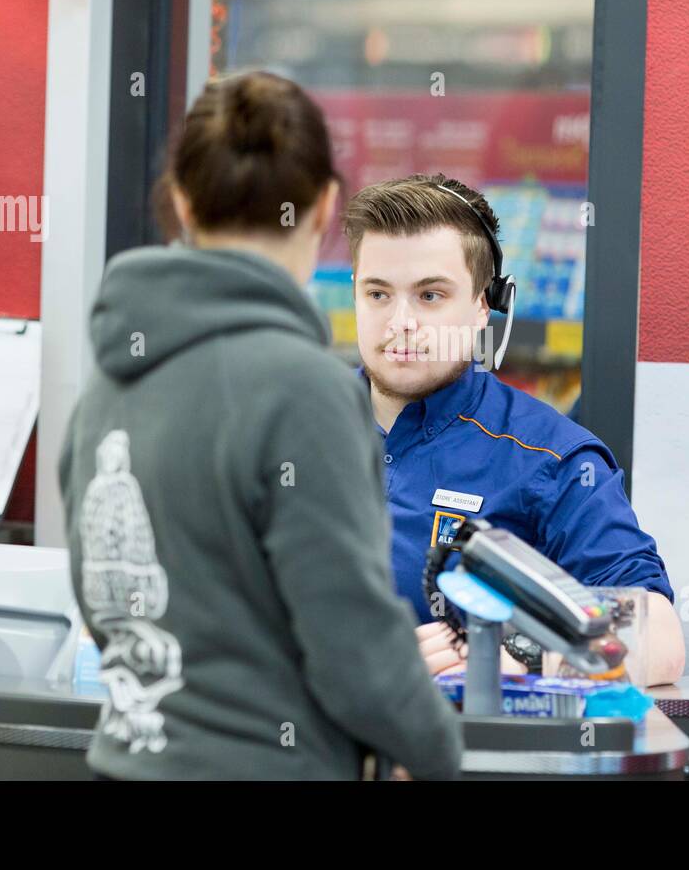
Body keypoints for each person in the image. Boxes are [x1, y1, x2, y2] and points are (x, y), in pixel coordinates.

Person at [59, 73, 462, 780]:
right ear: (322, 209)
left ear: (182, 203)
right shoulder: (303, 389)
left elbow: (103, 602)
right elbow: (356, 648)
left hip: (122, 761)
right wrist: (433, 750)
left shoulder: (108, 381)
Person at [342, 174, 686, 686]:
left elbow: (658, 637)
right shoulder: (290, 430)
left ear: (483, 306)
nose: (400, 322)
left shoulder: (548, 458)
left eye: (430, 295)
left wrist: (497, 652)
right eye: (378, 293)